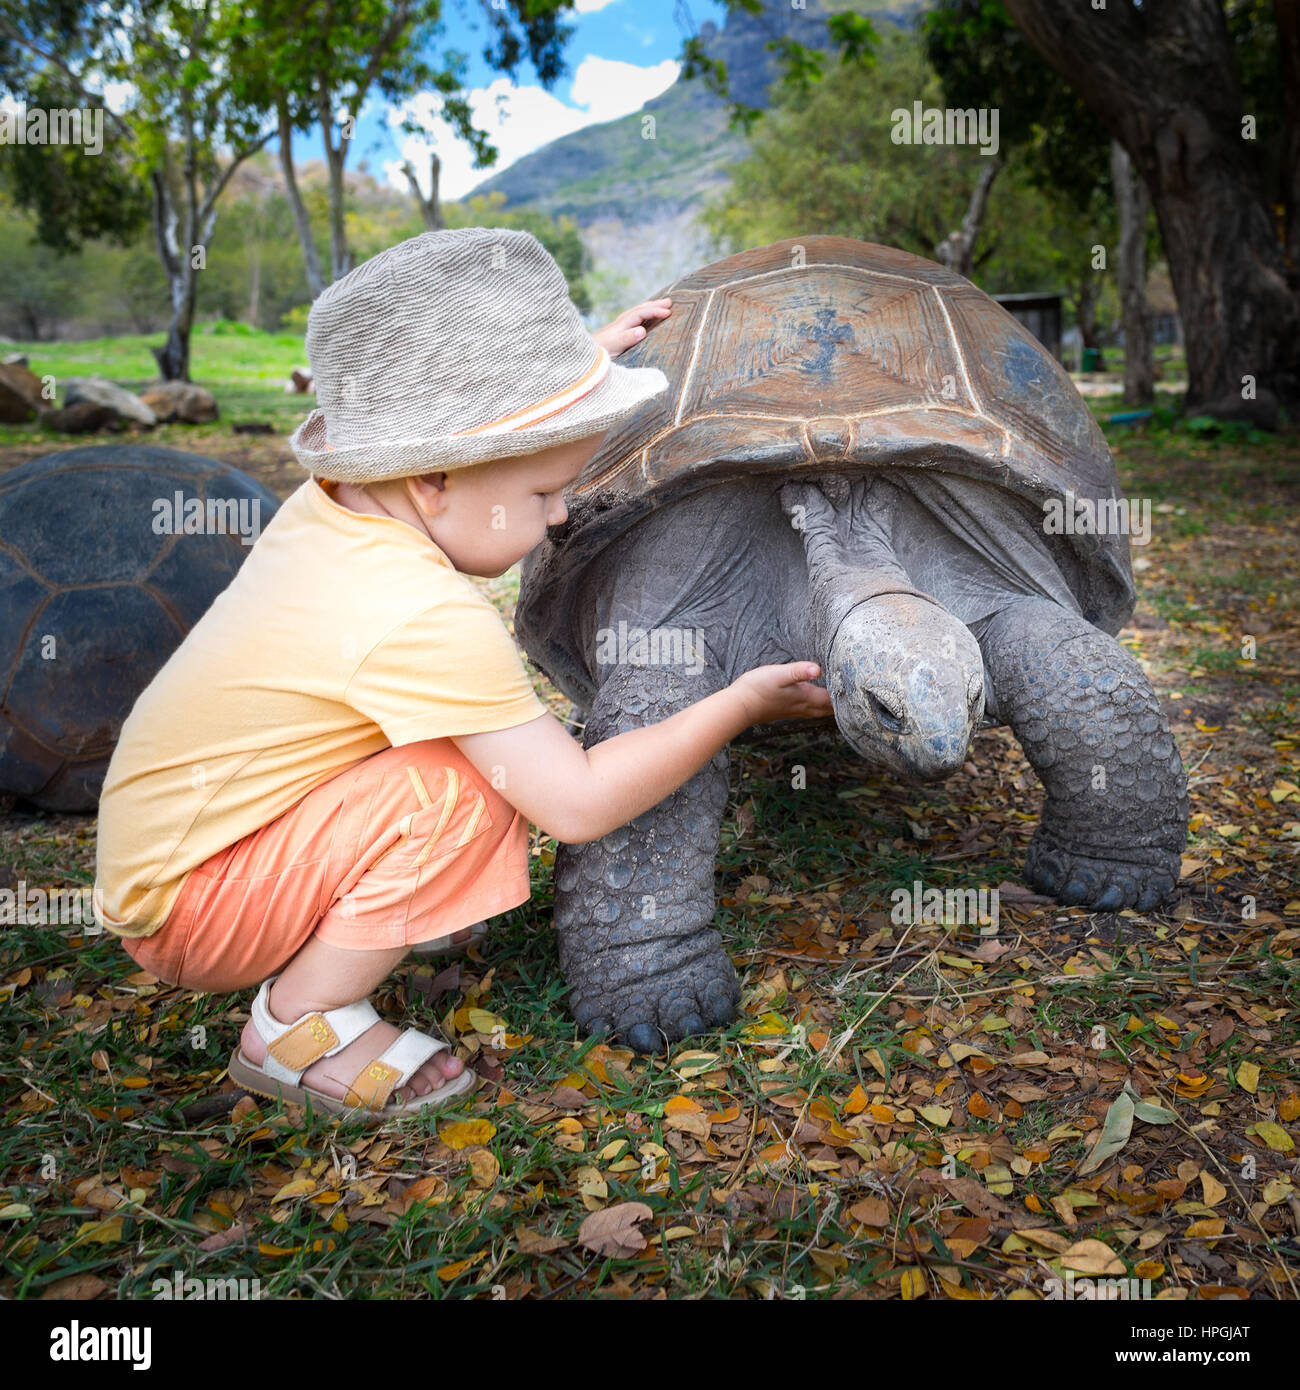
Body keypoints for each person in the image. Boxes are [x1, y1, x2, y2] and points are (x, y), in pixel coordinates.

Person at [92, 228, 831, 1121]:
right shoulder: (422, 613)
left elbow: (472, 442)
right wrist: (739, 703)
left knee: (463, 754)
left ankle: (353, 922)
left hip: (172, 856)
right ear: (436, 475)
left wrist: (577, 366)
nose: (560, 516)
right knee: (472, 790)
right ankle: (295, 1027)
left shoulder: (336, 507)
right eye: (540, 494)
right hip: (197, 911)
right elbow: (580, 804)